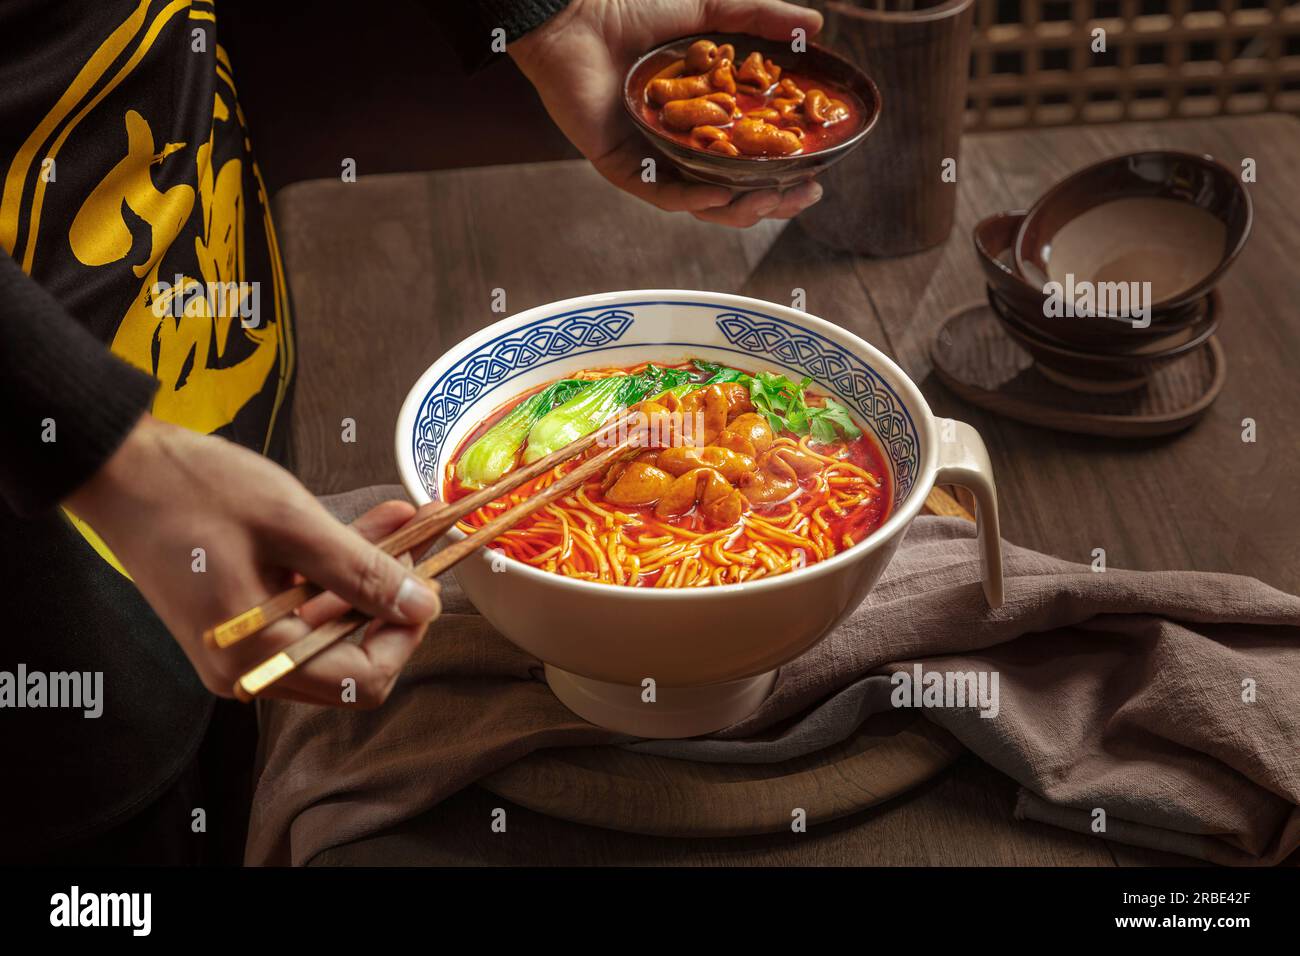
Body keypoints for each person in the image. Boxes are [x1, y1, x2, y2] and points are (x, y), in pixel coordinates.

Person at [0, 0, 824, 863]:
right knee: (111, 786)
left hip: (202, 303)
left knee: (248, 738)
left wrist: (547, 14)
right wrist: (107, 449)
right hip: (36, 527)